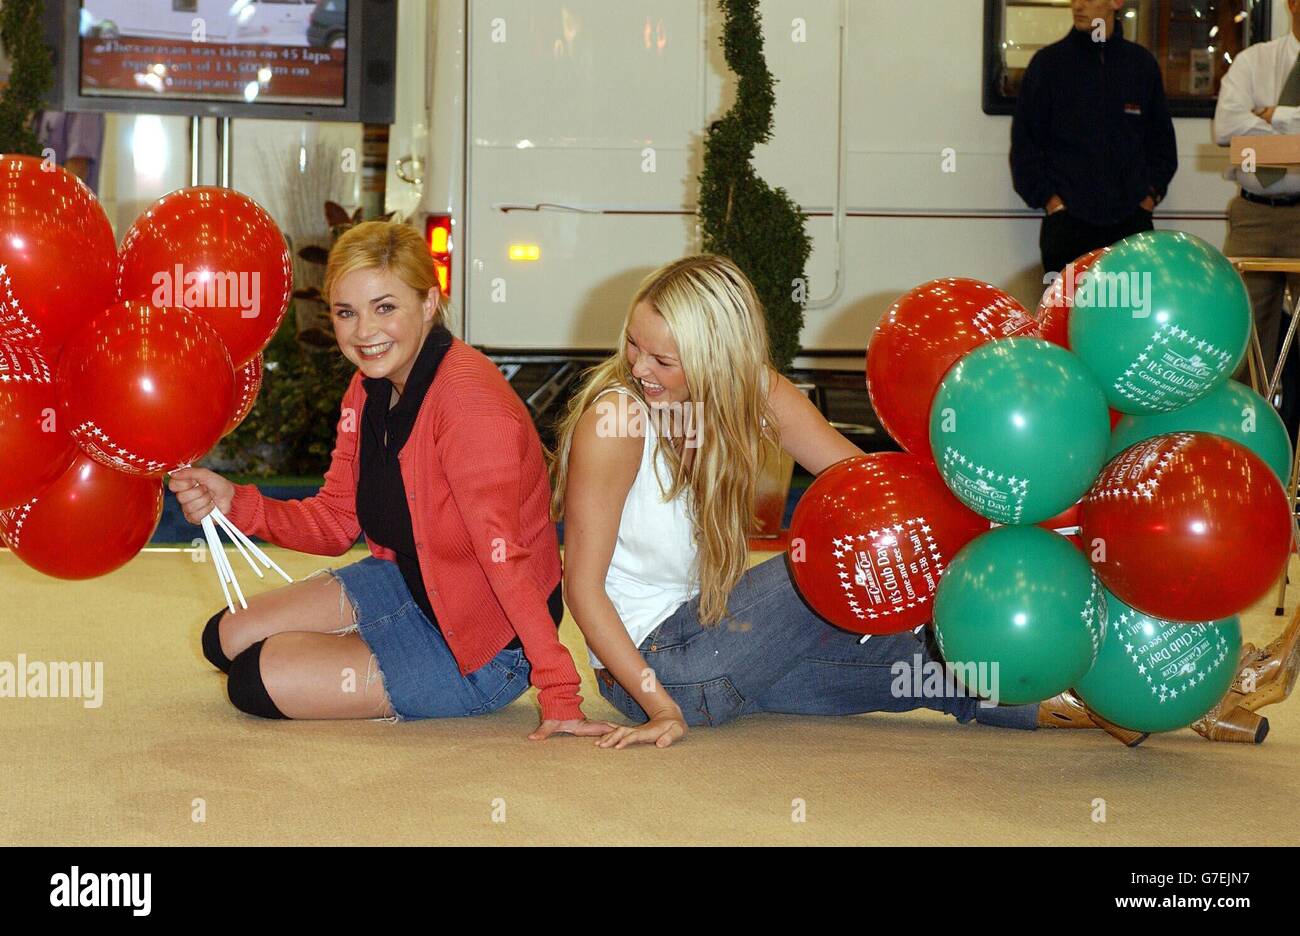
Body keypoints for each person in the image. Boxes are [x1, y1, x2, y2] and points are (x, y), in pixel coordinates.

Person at [550, 253, 1159, 750]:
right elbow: (582, 587)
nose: (638, 368)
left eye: (663, 360)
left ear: (720, 362)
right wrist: (659, 705)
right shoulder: (619, 419)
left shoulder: (754, 392)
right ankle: (1096, 699)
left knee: (928, 667)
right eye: (633, 345)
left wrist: (993, 518)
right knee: (815, 561)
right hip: (658, 665)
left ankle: (1115, 701)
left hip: (724, 663)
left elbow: (869, 488)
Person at [169, 222, 613, 740]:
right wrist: (236, 502)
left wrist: (559, 691)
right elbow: (335, 522)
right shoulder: (367, 389)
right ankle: (369, 641)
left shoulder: (469, 406)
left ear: (429, 303)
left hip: (483, 646)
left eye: (385, 308)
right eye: (346, 312)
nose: (363, 333)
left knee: (252, 681)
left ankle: (412, 664)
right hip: (407, 581)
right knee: (221, 639)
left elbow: (504, 557)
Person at [1011, 0, 1177, 275]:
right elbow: (1024, 146)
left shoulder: (1141, 65)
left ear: (1116, 3)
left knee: (1130, 316)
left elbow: (1163, 147)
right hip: (1067, 230)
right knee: (1066, 317)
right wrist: (1053, 203)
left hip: (1131, 229)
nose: (1078, 5)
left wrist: (1147, 199)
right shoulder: (1048, 65)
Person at [1215, 0, 1300, 390]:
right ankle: (1248, 439)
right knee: (1245, 339)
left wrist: (1272, 115)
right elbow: (1227, 127)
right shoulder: (1255, 61)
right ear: (1292, 4)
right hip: (1255, 216)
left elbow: (1247, 124)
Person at [37, 111, 105, 194]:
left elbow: (78, 164)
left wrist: (55, 203)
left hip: (64, 201)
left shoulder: (80, 106)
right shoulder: (45, 106)